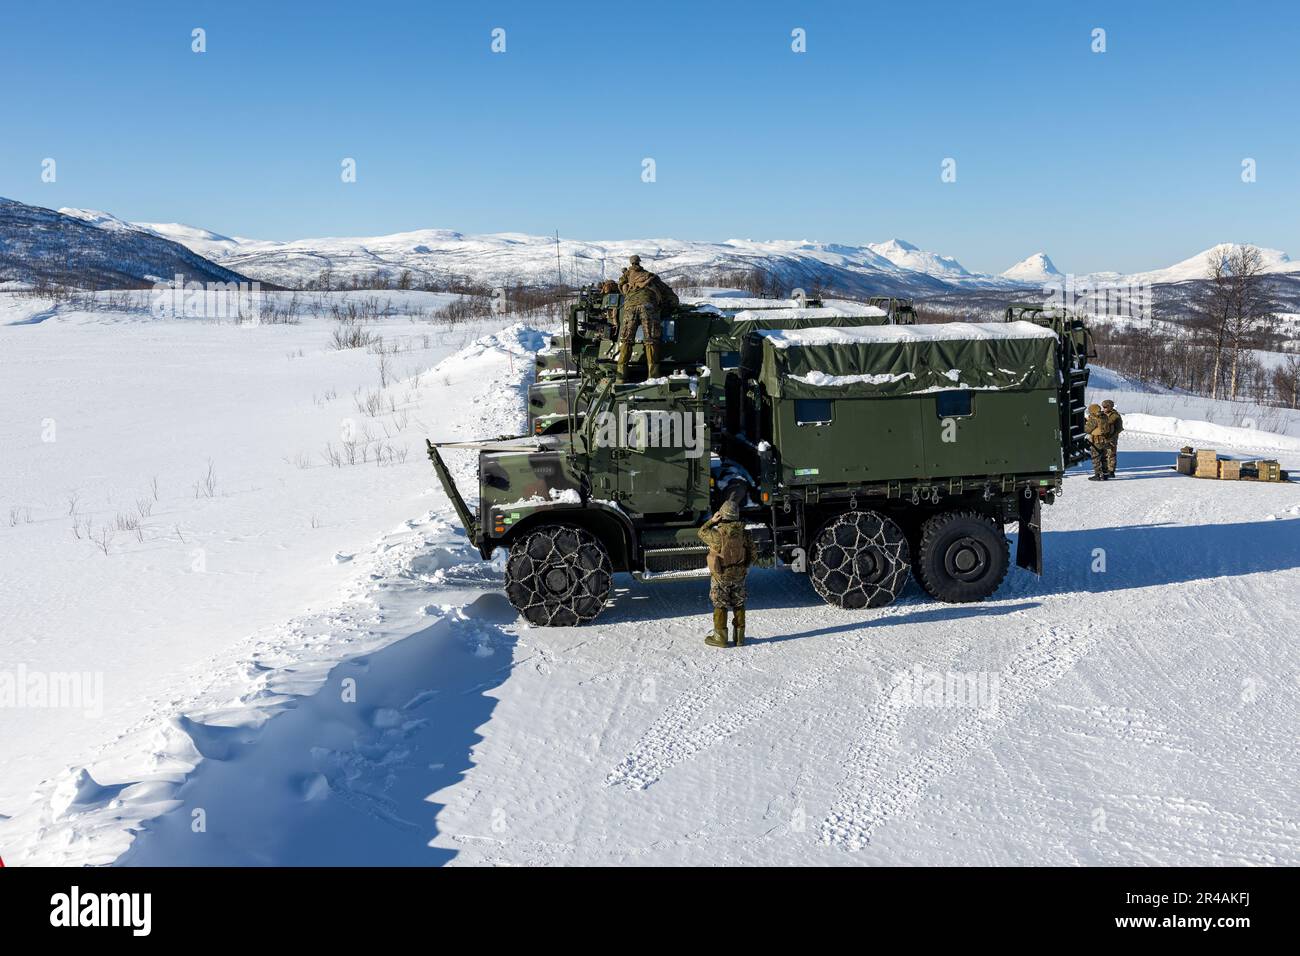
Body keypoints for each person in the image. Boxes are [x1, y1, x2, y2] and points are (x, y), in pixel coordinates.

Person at [697, 498, 755, 647]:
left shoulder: (717, 535)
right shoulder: (745, 535)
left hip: (721, 576)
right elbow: (753, 555)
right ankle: (740, 638)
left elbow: (701, 532)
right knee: (739, 603)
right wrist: (744, 569)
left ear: (722, 516)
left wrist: (712, 520)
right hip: (739, 575)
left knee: (720, 605)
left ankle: (720, 638)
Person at [615, 255, 677, 382]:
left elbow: (621, 287)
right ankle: (653, 375)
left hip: (630, 308)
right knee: (651, 340)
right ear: (640, 263)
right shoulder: (650, 276)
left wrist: (625, 275)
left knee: (626, 340)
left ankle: (620, 376)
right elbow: (669, 294)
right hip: (648, 307)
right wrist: (669, 306)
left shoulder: (626, 277)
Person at [1084, 403, 1114, 481]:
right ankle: (1105, 474)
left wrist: (1085, 423)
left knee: (1096, 458)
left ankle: (1097, 475)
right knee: (1104, 458)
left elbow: (1087, 430)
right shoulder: (1104, 416)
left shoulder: (1094, 418)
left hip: (1096, 441)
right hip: (1105, 440)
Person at [1100, 399, 1123, 478]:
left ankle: (1111, 471)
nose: (1104, 408)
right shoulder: (1102, 414)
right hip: (1102, 438)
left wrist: (1112, 436)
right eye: (1103, 407)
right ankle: (1104, 470)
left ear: (1110, 407)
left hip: (1112, 438)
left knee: (1111, 454)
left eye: (1106, 407)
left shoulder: (1115, 415)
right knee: (1103, 454)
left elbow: (1119, 428)